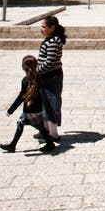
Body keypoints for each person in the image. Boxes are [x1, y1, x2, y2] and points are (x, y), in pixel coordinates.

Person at [0, 55, 57, 153]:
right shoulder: (40, 78)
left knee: (27, 124)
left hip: (29, 111)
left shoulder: (25, 80)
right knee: (29, 125)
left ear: (23, 67)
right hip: (38, 110)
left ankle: (13, 145)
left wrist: (10, 110)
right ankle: (13, 145)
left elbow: (21, 97)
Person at [37, 15, 66, 147]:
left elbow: (50, 62)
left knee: (51, 103)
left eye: (43, 27)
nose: (41, 29)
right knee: (45, 104)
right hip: (46, 76)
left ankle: (53, 134)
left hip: (51, 77)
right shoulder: (50, 39)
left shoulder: (54, 41)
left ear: (52, 28)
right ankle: (46, 130)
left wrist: (36, 71)